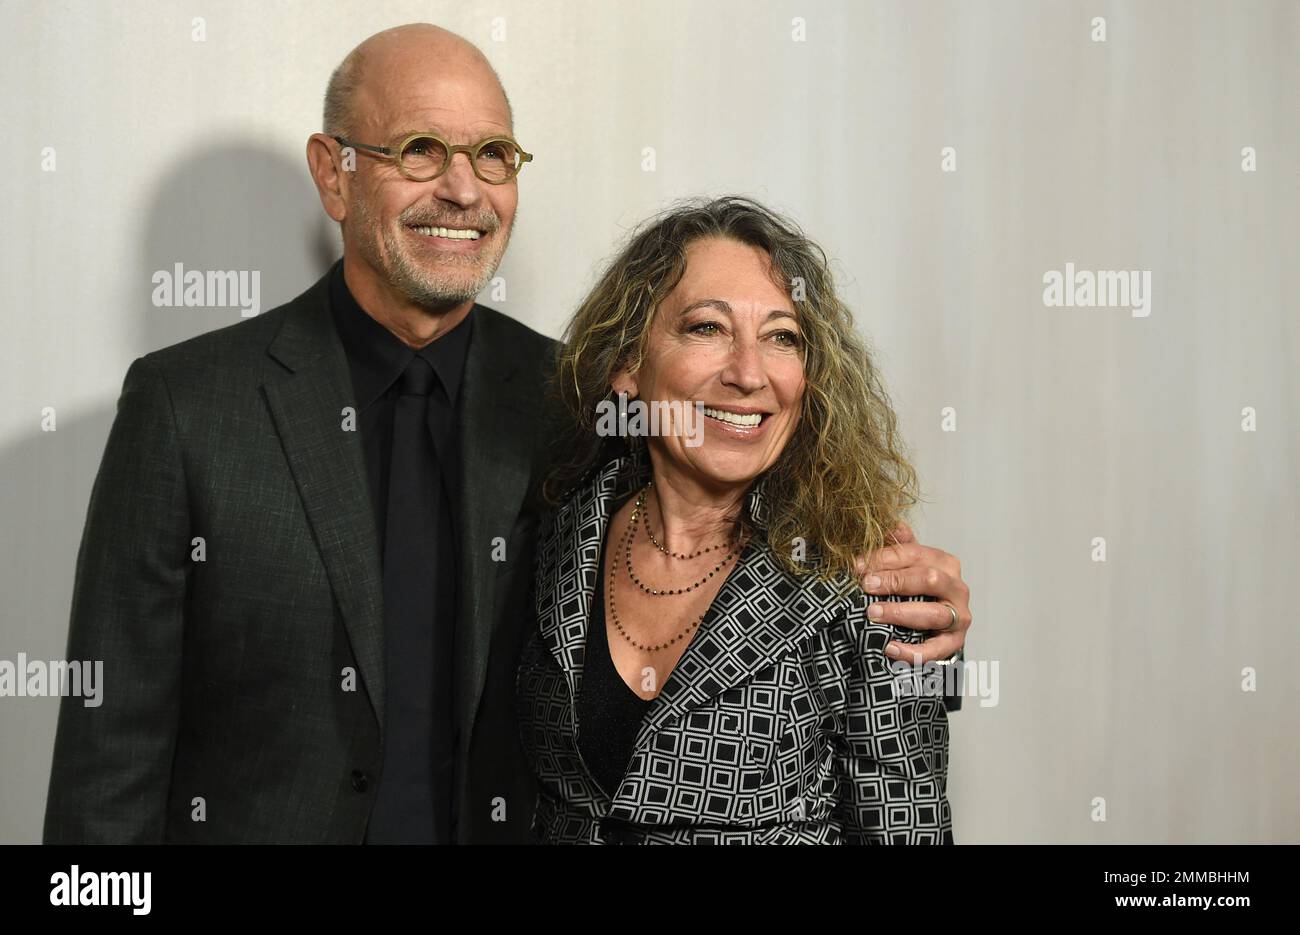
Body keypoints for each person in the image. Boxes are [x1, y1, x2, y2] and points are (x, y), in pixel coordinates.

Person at [43, 24, 972, 845]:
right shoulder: (186, 407)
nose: (463, 188)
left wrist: (930, 612)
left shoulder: (570, 403)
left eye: (493, 154)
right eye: (420, 149)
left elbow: (741, 502)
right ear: (335, 172)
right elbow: (107, 759)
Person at [518, 196, 956, 843]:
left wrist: (945, 666)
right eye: (707, 328)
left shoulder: (882, 589)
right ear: (628, 367)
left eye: (782, 336)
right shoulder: (560, 529)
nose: (750, 373)